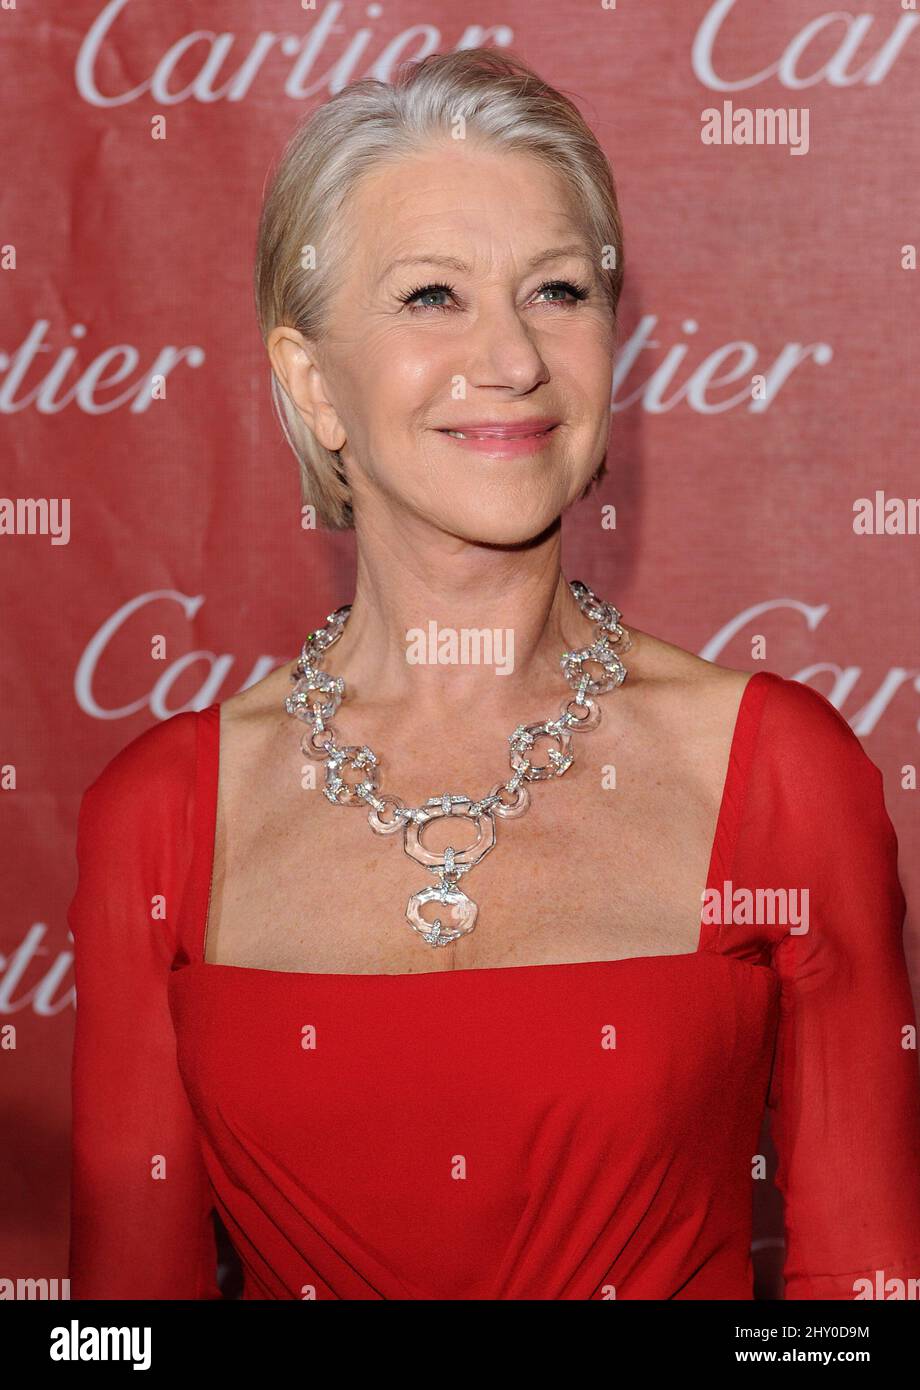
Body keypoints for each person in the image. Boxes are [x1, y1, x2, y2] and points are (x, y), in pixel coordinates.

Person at [68, 47, 920, 1300]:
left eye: (558, 291)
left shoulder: (779, 770)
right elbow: (118, 1329)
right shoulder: (159, 816)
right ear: (314, 384)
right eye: (429, 297)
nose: (513, 357)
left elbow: (862, 1298)